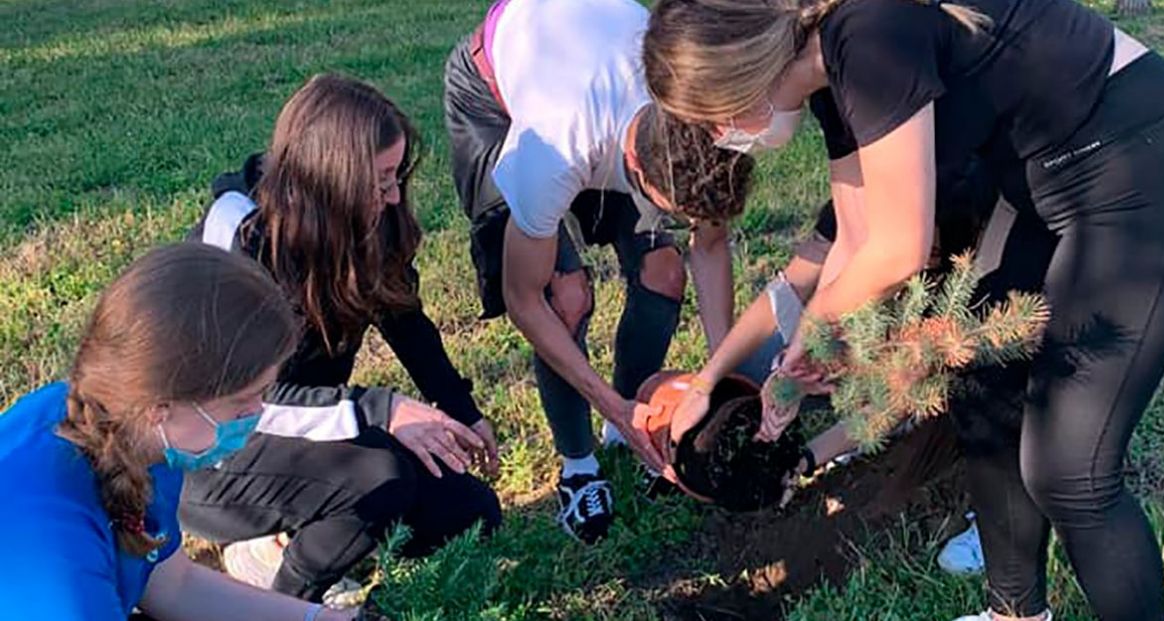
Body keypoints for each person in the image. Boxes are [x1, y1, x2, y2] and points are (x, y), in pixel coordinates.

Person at [642, 1, 1164, 620]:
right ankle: (1015, 613)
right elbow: (855, 239)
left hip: (1146, 168)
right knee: (983, 391)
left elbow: (900, 246)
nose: (722, 140)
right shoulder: (830, 76)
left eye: (711, 122)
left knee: (1070, 471)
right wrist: (803, 362)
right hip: (1046, 184)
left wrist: (812, 335)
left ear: (740, 76)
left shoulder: (867, 36)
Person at [183, 73, 502, 602]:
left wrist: (460, 408)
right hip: (216, 453)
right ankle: (280, 596)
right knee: (382, 473)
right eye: (381, 181)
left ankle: (311, 529)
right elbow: (235, 402)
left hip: (315, 428)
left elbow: (405, 319)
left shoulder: (367, 217)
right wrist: (382, 411)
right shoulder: (238, 233)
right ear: (332, 175)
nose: (394, 194)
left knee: (471, 514)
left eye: (397, 176)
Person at [443, 0, 753, 542]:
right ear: (634, 170)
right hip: (492, 91)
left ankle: (626, 431)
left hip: (600, 69)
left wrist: (718, 375)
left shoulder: (701, 109)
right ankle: (578, 467)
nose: (679, 222)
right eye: (670, 210)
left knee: (663, 271)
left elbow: (710, 242)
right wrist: (604, 397)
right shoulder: (555, 152)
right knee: (564, 297)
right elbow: (524, 300)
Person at [0, 243, 382, 621]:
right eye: (244, 401)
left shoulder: (129, 431)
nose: (259, 412)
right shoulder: (55, 555)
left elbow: (173, 586)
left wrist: (320, 619)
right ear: (161, 406)